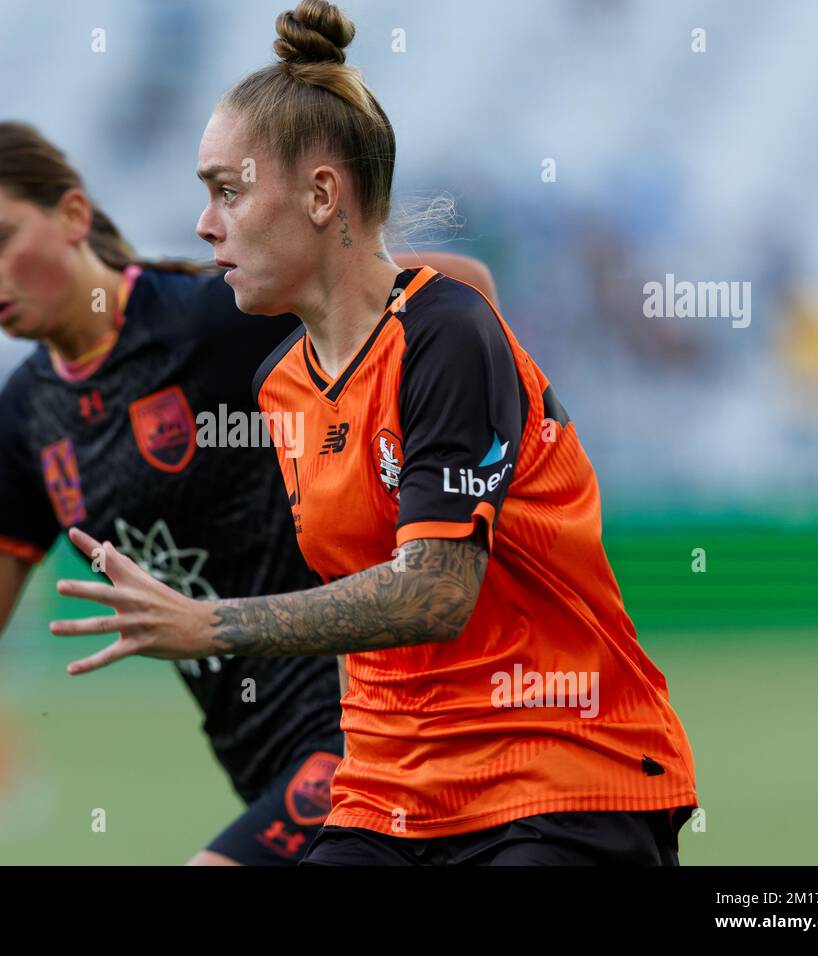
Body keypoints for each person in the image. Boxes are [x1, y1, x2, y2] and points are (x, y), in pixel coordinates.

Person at [0, 119, 497, 865]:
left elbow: (460, 289)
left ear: (71, 216)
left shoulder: (213, 316)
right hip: (262, 758)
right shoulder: (31, 410)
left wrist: (450, 485)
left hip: (372, 737)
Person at [49, 0, 698, 865]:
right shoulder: (279, 384)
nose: (206, 223)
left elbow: (434, 593)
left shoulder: (447, 334)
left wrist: (217, 623)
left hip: (559, 768)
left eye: (227, 191)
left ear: (323, 193)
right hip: (389, 794)